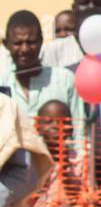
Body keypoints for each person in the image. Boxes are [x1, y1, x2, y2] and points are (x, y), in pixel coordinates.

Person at [1, 12, 83, 147]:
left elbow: (79, 134)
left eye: (31, 42)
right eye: (18, 43)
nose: (25, 49)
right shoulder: (2, 82)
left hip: (61, 165)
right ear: (6, 44)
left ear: (41, 41)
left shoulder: (65, 79)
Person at [42, 0, 101, 70]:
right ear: (74, 8)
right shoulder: (53, 50)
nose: (91, 7)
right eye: (85, 3)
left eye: (97, 3)